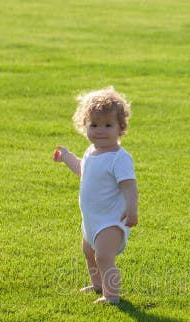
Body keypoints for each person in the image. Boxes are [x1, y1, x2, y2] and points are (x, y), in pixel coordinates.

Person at [54, 87, 138, 305]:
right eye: (94, 125)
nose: (100, 131)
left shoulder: (119, 158)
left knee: (103, 257)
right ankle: (98, 284)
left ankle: (111, 295)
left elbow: (129, 186)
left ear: (121, 128)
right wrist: (66, 157)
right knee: (89, 252)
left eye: (108, 125)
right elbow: (82, 170)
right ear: (85, 126)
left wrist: (132, 209)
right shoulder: (91, 152)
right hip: (92, 220)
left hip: (111, 221)